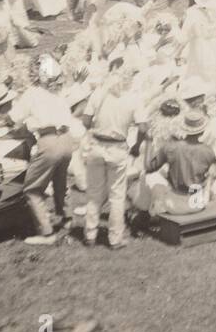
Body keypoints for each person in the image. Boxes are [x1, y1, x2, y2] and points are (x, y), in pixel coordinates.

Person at [17, 55, 85, 244]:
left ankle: (46, 233)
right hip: (67, 141)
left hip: (49, 142)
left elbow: (15, 117)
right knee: (60, 184)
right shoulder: (59, 95)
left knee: (32, 189)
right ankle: (68, 219)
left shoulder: (32, 94)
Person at [81, 65, 148, 248]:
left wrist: (96, 128)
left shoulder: (98, 94)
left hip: (97, 144)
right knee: (117, 195)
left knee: (94, 192)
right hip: (118, 147)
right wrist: (136, 145)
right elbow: (143, 128)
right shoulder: (134, 99)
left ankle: (90, 234)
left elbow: (86, 121)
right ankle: (115, 238)